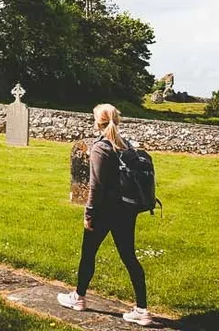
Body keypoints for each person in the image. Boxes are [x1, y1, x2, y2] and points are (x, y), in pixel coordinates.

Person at [57, 104, 151, 326]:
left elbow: (96, 186)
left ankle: (79, 298)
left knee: (88, 254)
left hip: (104, 211)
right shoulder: (126, 145)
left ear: (97, 122)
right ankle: (143, 310)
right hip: (126, 210)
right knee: (129, 257)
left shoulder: (101, 147)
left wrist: (89, 214)